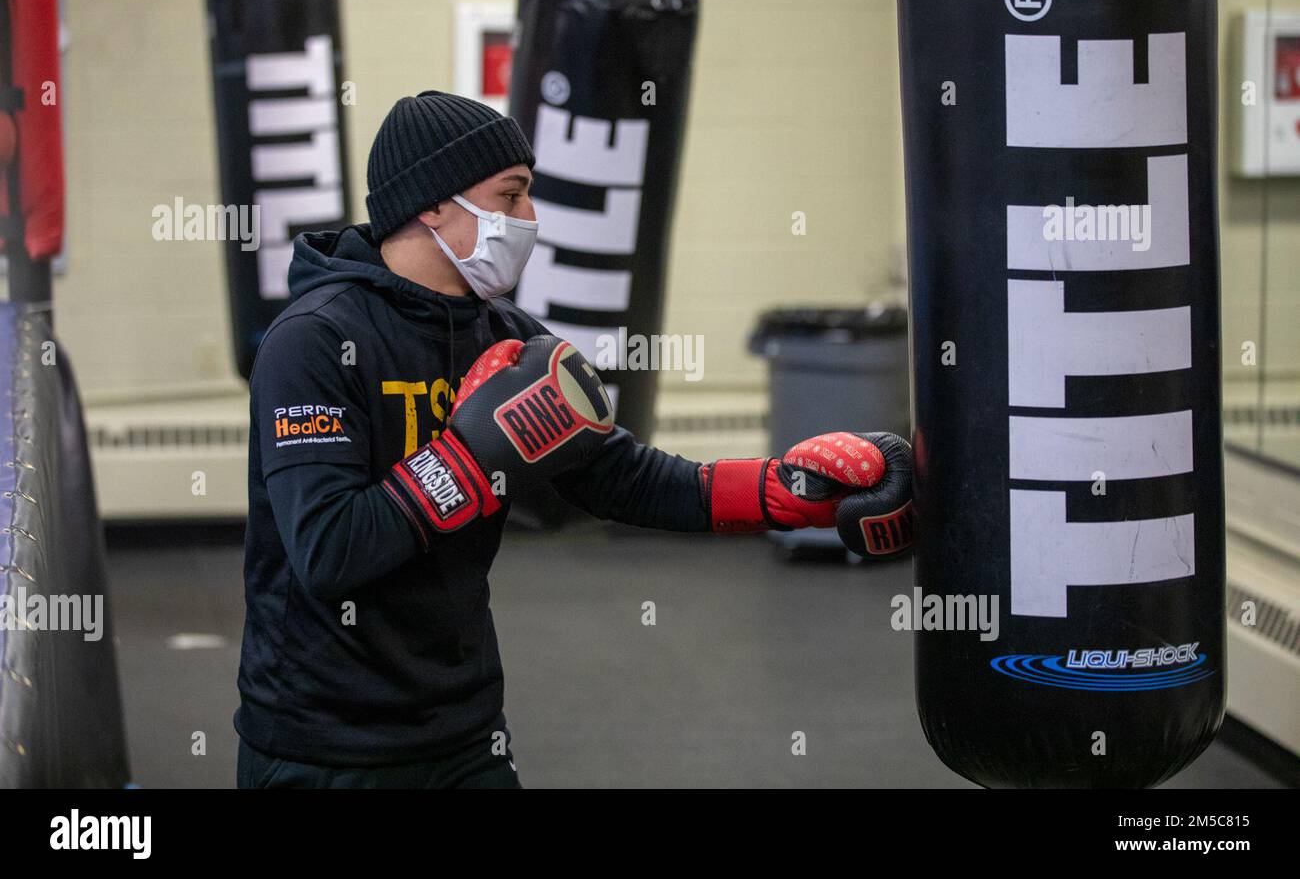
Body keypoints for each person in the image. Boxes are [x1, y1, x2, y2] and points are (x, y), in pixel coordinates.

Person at [234, 90, 912, 788]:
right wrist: (467, 461)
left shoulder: (509, 338)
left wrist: (786, 491)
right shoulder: (314, 341)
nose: (529, 219)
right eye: (511, 195)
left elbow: (622, 476)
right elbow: (328, 549)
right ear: (431, 203)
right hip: (319, 744)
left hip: (463, 729)